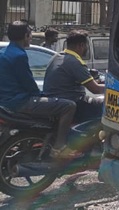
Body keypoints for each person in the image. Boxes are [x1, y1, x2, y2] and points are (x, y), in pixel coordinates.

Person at [0, 21, 79, 158]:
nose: (31, 38)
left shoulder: (4, 52)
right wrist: (42, 95)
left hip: (7, 102)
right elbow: (28, 83)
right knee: (69, 106)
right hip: (20, 102)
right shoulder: (19, 55)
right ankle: (59, 147)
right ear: (25, 36)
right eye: (30, 35)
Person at [44, 30, 105, 123]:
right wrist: (113, 88)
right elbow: (95, 89)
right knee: (103, 104)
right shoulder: (74, 62)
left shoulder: (57, 57)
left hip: (56, 101)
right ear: (80, 45)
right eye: (86, 45)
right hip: (71, 101)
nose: (87, 48)